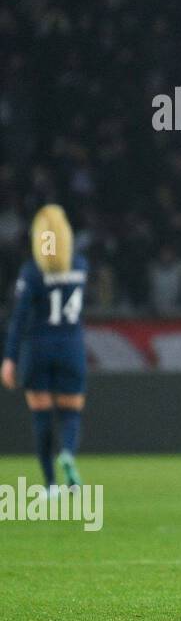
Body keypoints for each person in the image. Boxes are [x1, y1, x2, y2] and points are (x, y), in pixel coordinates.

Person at [2, 205, 89, 492]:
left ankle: (51, 483)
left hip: (37, 347)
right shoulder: (80, 267)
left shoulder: (31, 273)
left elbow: (18, 319)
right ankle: (67, 453)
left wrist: (10, 358)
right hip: (71, 347)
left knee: (41, 416)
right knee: (71, 414)